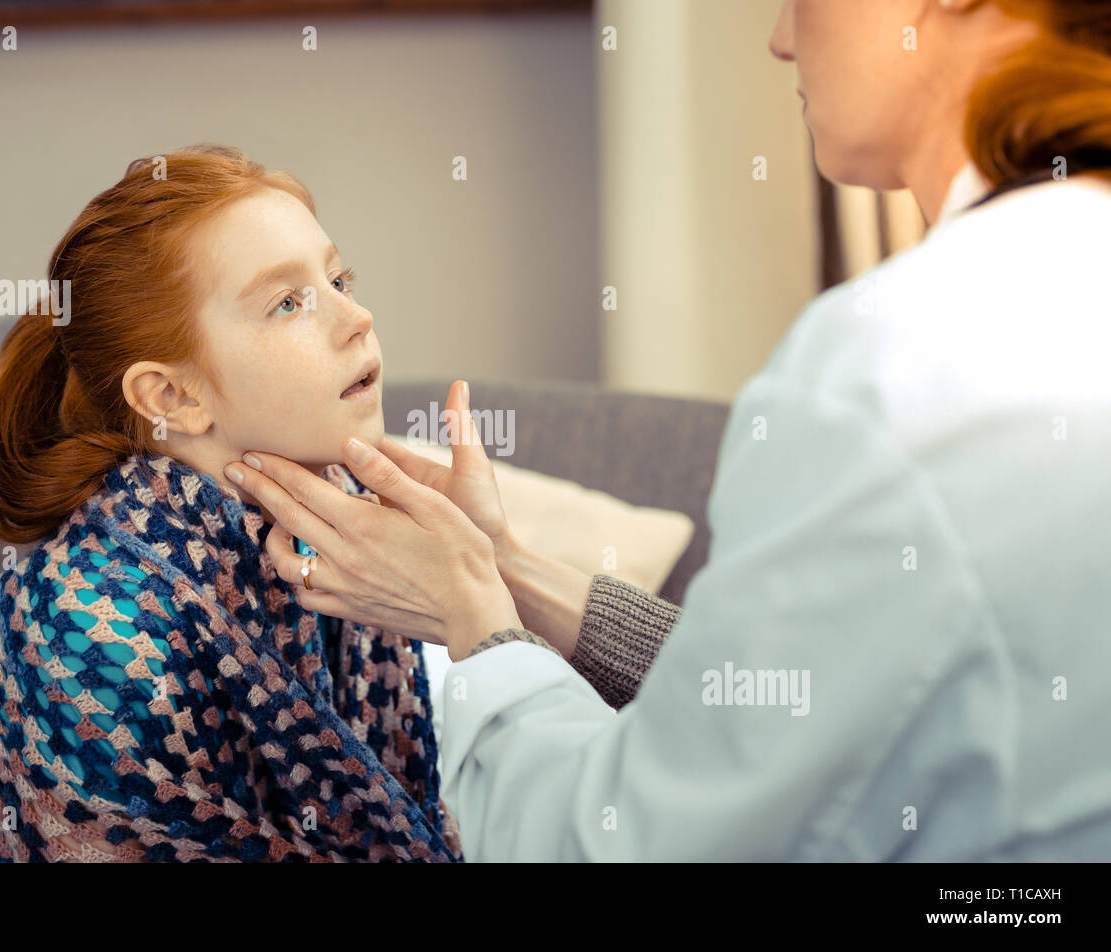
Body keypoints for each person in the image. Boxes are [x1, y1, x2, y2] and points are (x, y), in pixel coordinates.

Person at [223, 0, 1111, 861]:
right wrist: (507, 571)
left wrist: (475, 620)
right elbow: (788, 700)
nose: (779, 39)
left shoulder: (885, 368)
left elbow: (625, 844)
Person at [0, 144, 463, 862]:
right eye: (287, 302)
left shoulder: (340, 540)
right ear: (172, 397)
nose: (357, 317)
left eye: (339, 278)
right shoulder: (78, 636)